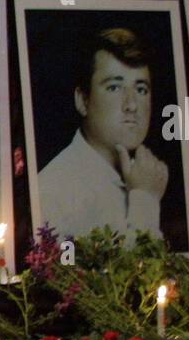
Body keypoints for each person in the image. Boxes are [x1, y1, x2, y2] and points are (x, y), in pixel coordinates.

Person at [37, 28, 168, 240]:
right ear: (82, 100)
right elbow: (136, 272)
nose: (132, 105)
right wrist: (145, 201)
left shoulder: (148, 176)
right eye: (114, 88)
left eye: (141, 89)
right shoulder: (53, 193)